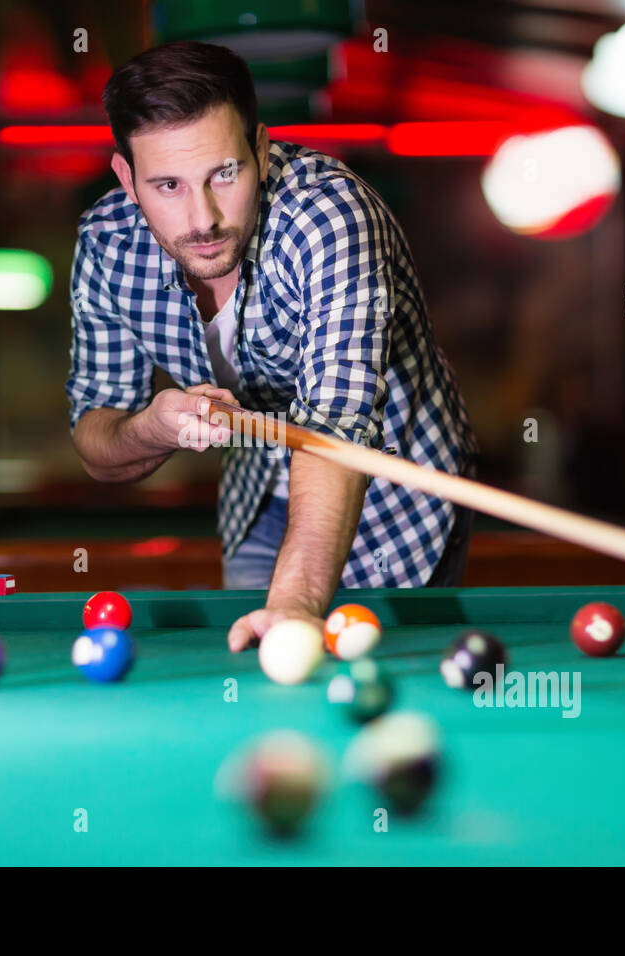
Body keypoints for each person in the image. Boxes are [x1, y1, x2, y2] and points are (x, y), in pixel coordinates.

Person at [66, 41, 477, 652]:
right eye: (168, 184)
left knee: (373, 688)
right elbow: (95, 442)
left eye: (223, 174)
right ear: (126, 178)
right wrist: (155, 427)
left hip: (398, 498)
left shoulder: (330, 216)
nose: (201, 217)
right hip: (256, 499)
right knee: (259, 680)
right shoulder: (107, 244)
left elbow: (336, 431)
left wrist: (292, 606)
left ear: (259, 149)